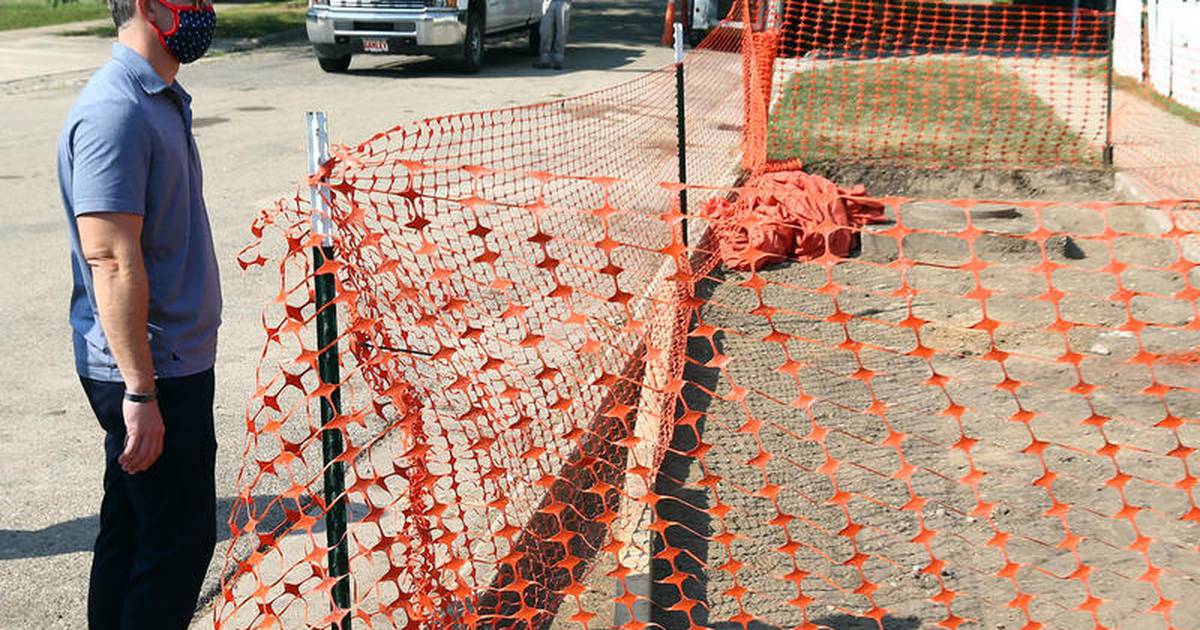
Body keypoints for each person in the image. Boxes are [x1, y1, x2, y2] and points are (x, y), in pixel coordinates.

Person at [56, 0, 222, 627]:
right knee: (176, 546)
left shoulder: (158, 97)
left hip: (164, 364)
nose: (206, 10)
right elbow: (110, 258)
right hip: (153, 369)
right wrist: (141, 393)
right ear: (151, 5)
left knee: (131, 533)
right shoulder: (115, 111)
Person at [535, 0, 571, 70]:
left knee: (562, 30)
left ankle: (558, 59)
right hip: (548, 2)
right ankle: (544, 59)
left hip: (563, 2)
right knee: (545, 30)